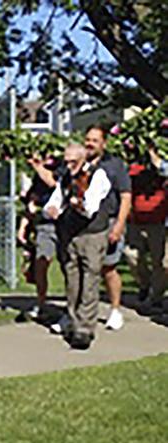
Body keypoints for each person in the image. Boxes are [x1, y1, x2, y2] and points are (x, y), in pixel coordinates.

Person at [44, 143, 112, 349]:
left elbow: (90, 208)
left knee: (90, 280)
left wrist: (78, 204)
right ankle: (74, 321)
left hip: (92, 234)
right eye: (66, 161)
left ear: (83, 159)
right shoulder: (66, 176)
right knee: (72, 280)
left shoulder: (98, 176)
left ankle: (85, 328)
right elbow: (55, 198)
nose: (69, 165)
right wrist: (53, 208)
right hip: (70, 233)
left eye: (73, 162)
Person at [85, 125, 131, 331]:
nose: (90, 144)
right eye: (88, 139)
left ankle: (115, 310)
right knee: (84, 269)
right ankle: (82, 312)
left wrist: (119, 224)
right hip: (85, 224)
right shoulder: (80, 163)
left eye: (95, 140)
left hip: (110, 221)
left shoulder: (115, 165)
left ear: (104, 143)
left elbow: (125, 196)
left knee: (108, 268)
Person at [20, 154, 68, 320]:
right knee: (41, 262)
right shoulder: (38, 175)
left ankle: (73, 303)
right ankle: (41, 303)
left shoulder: (63, 169)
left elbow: (53, 183)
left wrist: (37, 166)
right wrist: (24, 225)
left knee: (68, 265)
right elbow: (33, 199)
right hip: (44, 224)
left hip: (64, 225)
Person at [121, 145, 167, 314]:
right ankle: (145, 285)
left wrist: (156, 157)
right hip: (135, 222)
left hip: (158, 222)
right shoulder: (133, 170)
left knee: (159, 262)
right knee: (132, 255)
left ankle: (156, 297)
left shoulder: (162, 170)